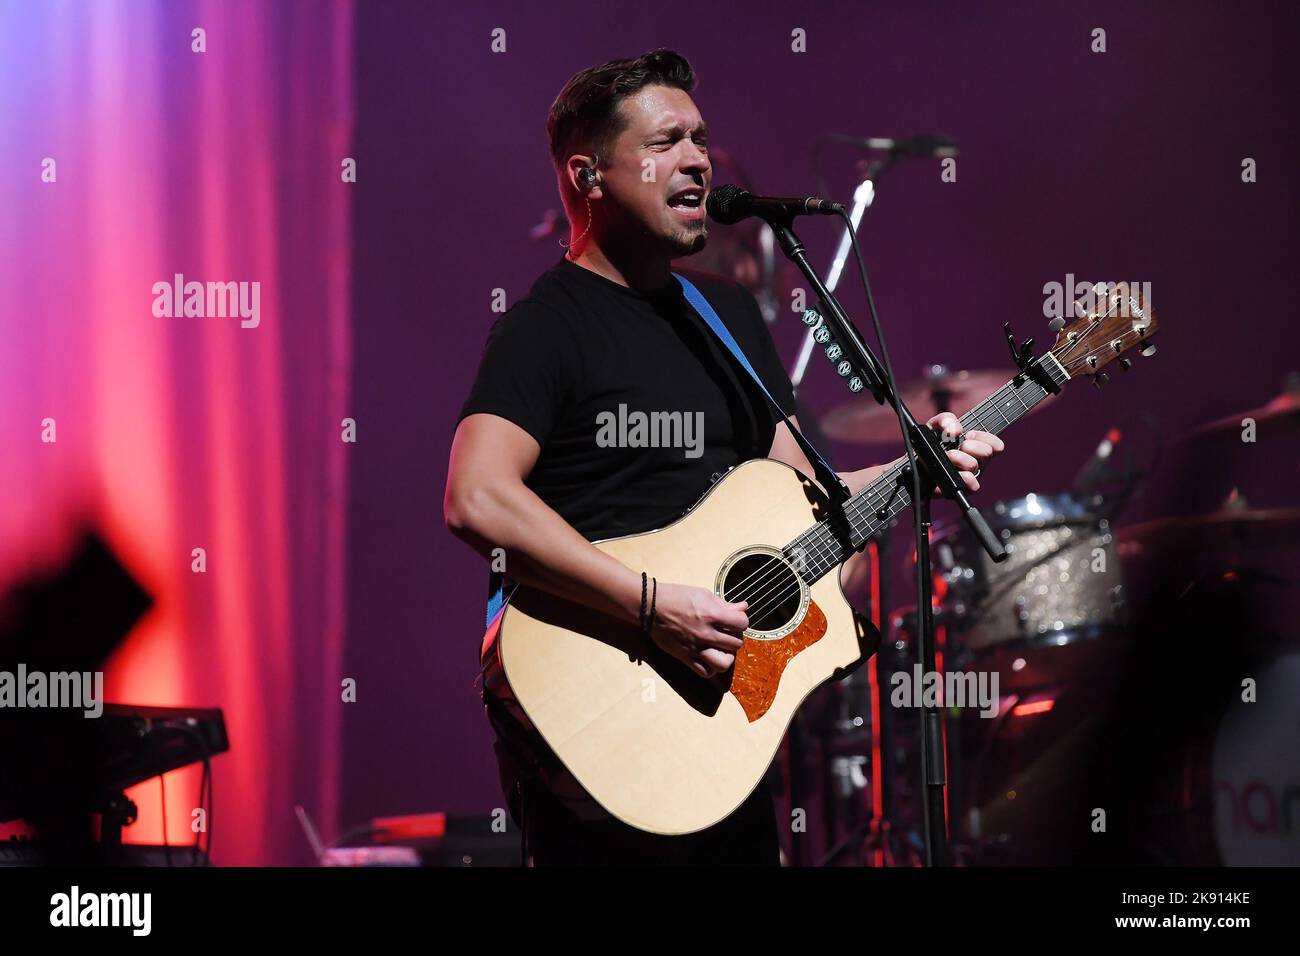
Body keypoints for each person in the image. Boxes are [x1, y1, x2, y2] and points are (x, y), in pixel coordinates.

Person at [444, 49, 1005, 865]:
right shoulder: (545, 327)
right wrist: (649, 605)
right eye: (667, 141)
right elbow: (476, 498)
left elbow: (809, 500)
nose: (699, 160)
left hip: (719, 725)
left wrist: (916, 473)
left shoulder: (727, 319)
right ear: (588, 175)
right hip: (600, 715)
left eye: (701, 139)